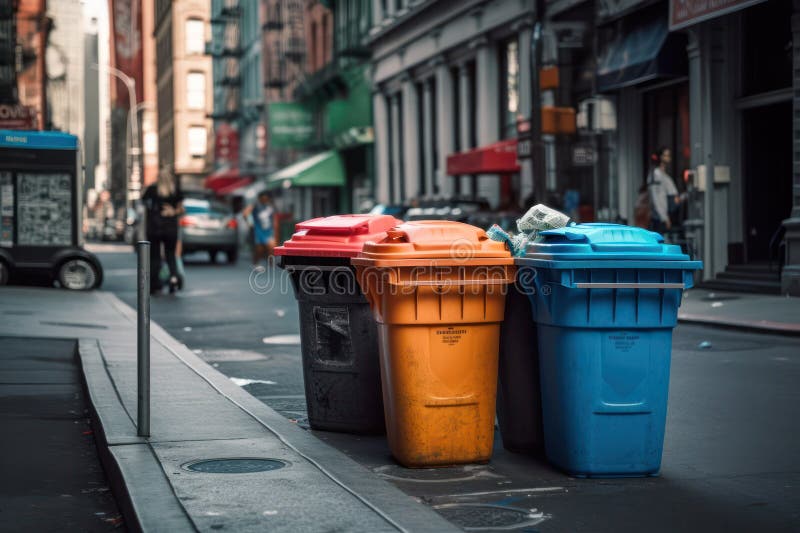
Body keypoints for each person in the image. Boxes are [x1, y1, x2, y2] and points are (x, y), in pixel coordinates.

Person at [143, 166, 184, 294]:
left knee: (154, 257)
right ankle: (173, 280)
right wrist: (172, 211)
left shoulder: (151, 189)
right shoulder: (175, 191)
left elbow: (143, 203)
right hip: (170, 228)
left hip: (154, 228)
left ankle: (154, 284)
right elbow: (182, 209)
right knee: (170, 255)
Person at [647, 147, 680, 234]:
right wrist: (664, 217)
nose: (668, 158)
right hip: (660, 217)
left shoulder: (663, 174)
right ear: (660, 157)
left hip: (667, 214)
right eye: (666, 155)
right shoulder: (657, 173)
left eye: (669, 155)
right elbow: (656, 198)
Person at [242, 191, 276, 266]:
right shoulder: (255, 205)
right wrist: (249, 223)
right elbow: (245, 213)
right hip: (258, 230)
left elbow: (274, 218)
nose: (264, 200)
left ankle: (271, 265)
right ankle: (256, 263)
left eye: (266, 199)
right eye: (263, 199)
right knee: (259, 249)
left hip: (269, 230)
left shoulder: (270, 206)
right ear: (260, 199)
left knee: (271, 247)